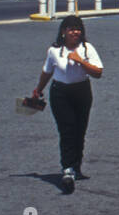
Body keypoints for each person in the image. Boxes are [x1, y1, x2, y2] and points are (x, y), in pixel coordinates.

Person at [31, 15, 103, 193]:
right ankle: (67, 168)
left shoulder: (87, 48)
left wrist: (81, 61)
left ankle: (76, 166)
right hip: (60, 93)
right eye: (71, 29)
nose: (75, 32)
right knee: (67, 129)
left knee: (80, 130)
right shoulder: (54, 51)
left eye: (78, 28)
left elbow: (98, 72)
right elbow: (47, 72)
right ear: (63, 32)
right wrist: (38, 89)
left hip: (82, 91)